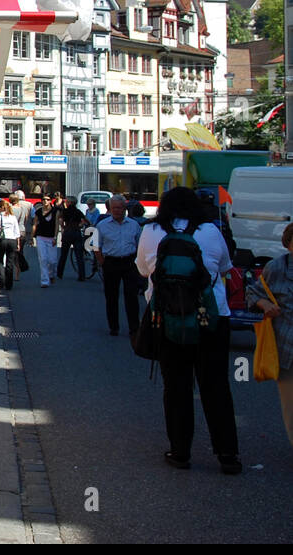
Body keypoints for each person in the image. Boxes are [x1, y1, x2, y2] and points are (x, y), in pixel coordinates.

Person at [136, 187, 240, 474]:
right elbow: (225, 268)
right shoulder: (210, 230)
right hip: (212, 319)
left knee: (177, 387)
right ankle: (228, 454)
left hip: (168, 320)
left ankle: (180, 451)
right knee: (216, 386)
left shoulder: (152, 231)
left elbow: (144, 271)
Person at [247, 222, 293, 448]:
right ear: (289, 244)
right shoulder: (277, 268)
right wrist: (264, 303)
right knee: (291, 406)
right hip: (287, 347)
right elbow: (253, 292)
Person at [94, 196, 142, 336]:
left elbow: (139, 245)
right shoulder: (102, 225)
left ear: (124, 209)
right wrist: (103, 263)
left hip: (129, 262)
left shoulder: (134, 225)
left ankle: (134, 327)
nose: (116, 210)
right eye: (114, 208)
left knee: (131, 296)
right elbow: (97, 247)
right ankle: (113, 327)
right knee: (111, 296)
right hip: (111, 263)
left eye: (119, 208)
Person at [0, 194, 23, 289]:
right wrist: (18, 243)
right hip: (12, 240)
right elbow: (17, 232)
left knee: (0, 261)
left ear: (1, 208)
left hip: (2, 240)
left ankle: (2, 281)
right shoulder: (12, 217)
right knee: (10, 262)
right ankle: (9, 284)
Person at [57, 195, 88, 281]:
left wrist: (63, 227)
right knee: (79, 256)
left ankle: (59, 273)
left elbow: (60, 220)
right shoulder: (78, 211)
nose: (65, 203)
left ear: (69, 202)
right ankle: (82, 275)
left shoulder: (65, 211)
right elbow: (85, 221)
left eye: (67, 201)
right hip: (76, 232)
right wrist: (79, 225)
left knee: (63, 255)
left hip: (67, 232)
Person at [33, 194, 59, 287]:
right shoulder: (38, 212)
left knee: (53, 260)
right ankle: (44, 281)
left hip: (51, 237)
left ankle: (51, 275)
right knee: (43, 259)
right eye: (43, 199)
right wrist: (33, 237)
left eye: (47, 199)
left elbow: (57, 225)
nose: (45, 201)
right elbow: (35, 224)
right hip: (40, 237)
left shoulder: (55, 211)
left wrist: (56, 237)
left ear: (51, 201)